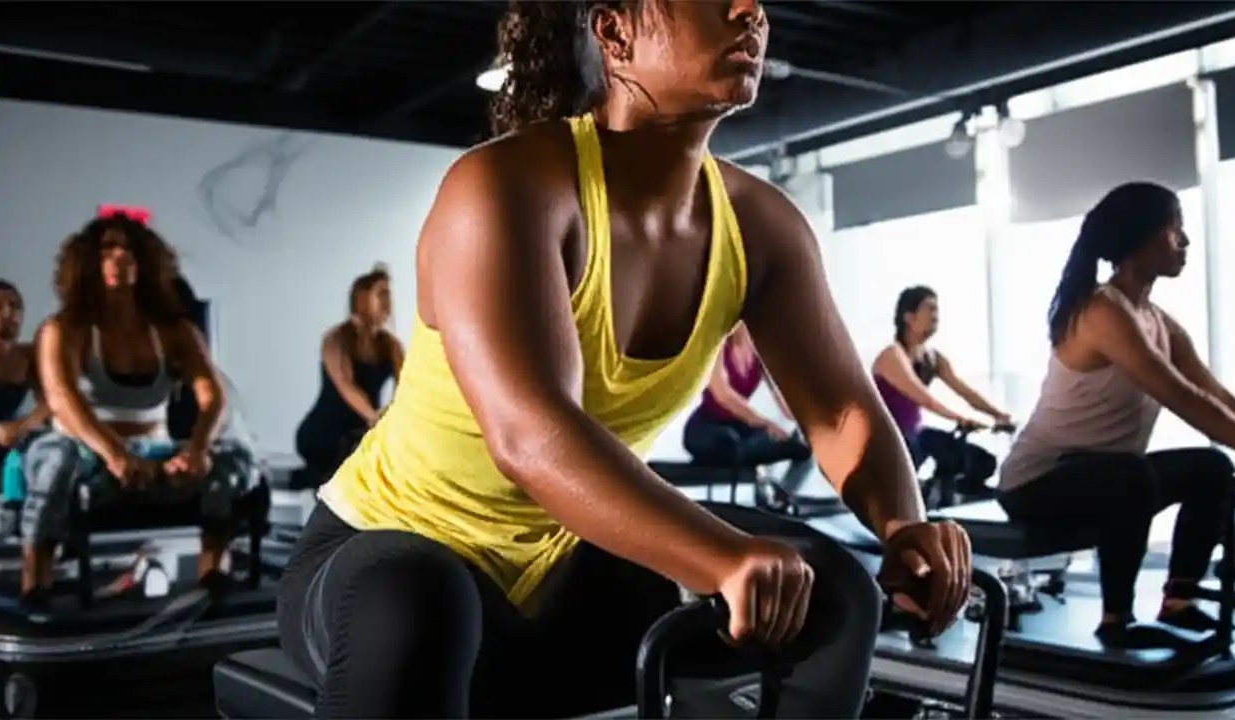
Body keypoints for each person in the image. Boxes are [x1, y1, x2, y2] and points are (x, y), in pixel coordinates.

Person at [278, 2, 973, 718]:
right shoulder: (507, 186)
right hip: (387, 554)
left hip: (566, 569)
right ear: (614, 33)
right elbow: (530, 435)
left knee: (832, 591)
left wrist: (903, 527)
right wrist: (719, 558)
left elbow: (842, 411)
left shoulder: (762, 227)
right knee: (419, 598)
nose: (751, 11)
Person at [998, 182, 1235, 648]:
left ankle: (1179, 600)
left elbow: (1213, 393)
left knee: (1212, 468)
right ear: (1140, 238)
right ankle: (1116, 621)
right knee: (1132, 476)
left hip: (1105, 477)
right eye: (1174, 230)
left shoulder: (1156, 319)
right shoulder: (1103, 312)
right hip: (1036, 482)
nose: (1184, 241)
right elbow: (1185, 399)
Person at [23, 213, 260, 611]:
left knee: (237, 458)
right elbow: (63, 398)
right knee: (55, 462)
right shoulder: (63, 329)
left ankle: (213, 572)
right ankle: (36, 581)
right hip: (83, 453)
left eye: (129, 250)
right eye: (108, 249)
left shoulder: (176, 332)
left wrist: (198, 448)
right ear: (88, 262)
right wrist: (115, 454)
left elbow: (213, 395)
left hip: (154, 454)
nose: (120, 257)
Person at [873, 286, 1012, 497]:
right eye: (929, 309)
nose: (935, 315)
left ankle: (942, 495)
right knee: (917, 445)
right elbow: (924, 398)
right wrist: (960, 419)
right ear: (909, 317)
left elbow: (965, 392)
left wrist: (998, 415)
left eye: (937, 309)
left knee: (982, 462)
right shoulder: (892, 355)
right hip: (889, 441)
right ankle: (926, 495)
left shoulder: (933, 358)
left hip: (916, 436)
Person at [683, 322, 819, 513]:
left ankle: (779, 500)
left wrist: (813, 420)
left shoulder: (761, 354)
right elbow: (723, 395)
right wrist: (765, 423)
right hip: (705, 428)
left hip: (739, 429)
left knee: (803, 451)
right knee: (732, 442)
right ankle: (761, 484)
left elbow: (782, 399)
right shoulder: (718, 346)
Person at [294, 265, 403, 482]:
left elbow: (407, 389)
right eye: (382, 294)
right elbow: (346, 385)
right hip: (323, 434)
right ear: (362, 298)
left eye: (389, 295)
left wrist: (393, 422)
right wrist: (374, 419)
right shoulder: (336, 339)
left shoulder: (391, 346)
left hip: (361, 434)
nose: (388, 302)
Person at [0, 280, 50, 492]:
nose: (8, 312)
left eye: (15, 306)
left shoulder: (28, 356)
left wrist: (21, 426)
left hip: (8, 446)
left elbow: (51, 402)